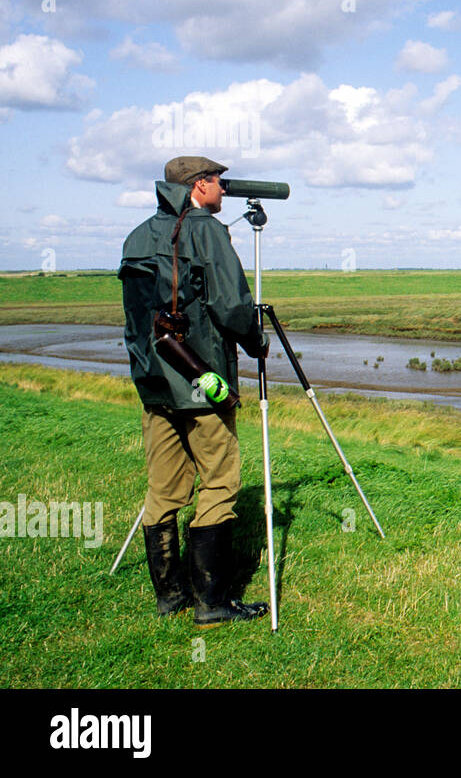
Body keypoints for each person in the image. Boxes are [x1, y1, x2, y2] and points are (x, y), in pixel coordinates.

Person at [118, 155, 270, 627]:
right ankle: (212, 602)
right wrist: (257, 341)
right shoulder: (208, 231)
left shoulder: (137, 236)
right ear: (198, 186)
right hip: (204, 382)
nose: (224, 191)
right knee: (220, 482)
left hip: (154, 381)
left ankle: (170, 596)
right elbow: (231, 306)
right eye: (219, 183)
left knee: (163, 488)